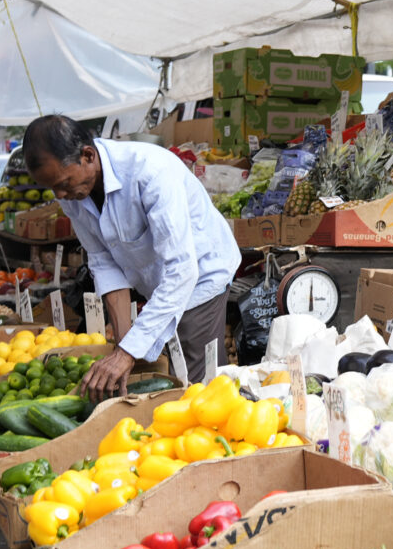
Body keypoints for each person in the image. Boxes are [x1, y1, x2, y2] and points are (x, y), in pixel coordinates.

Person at [22, 115, 241, 399]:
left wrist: (128, 353)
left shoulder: (149, 172)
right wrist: (124, 342)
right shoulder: (72, 194)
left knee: (196, 384)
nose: (60, 194)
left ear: (87, 155)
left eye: (64, 183)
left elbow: (181, 271)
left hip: (201, 274)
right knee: (154, 371)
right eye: (53, 188)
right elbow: (103, 260)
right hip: (159, 280)